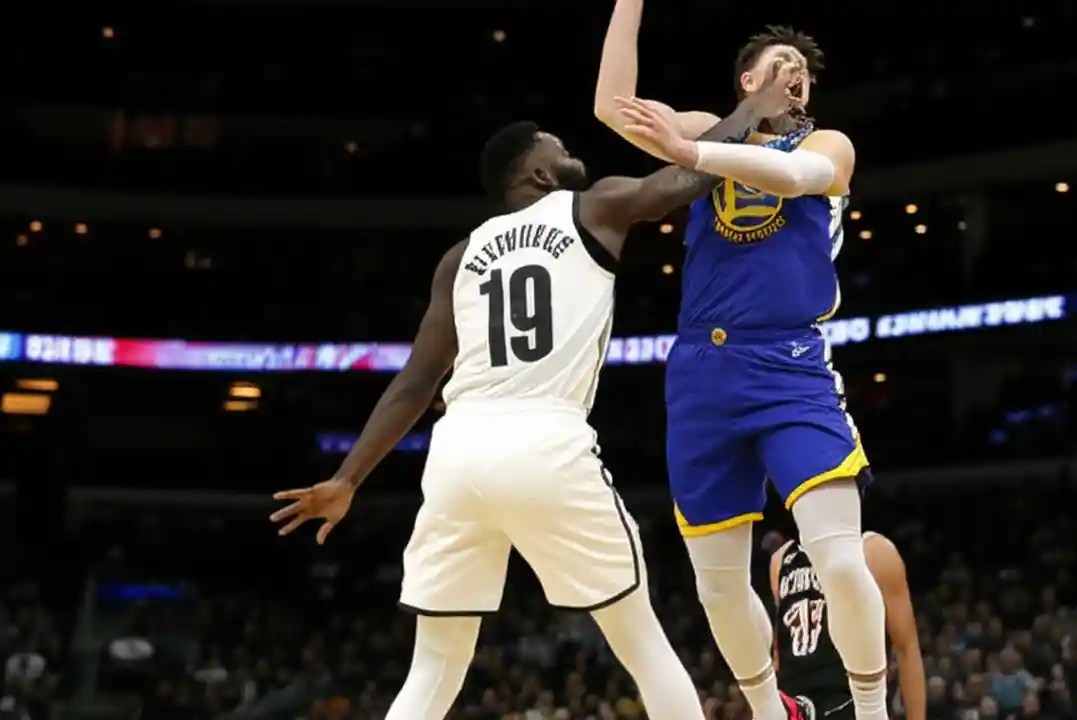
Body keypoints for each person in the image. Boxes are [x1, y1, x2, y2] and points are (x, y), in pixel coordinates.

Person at [266, 67, 801, 720]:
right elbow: (683, 182)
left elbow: (414, 383)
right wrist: (752, 110)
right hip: (546, 438)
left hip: (458, 450)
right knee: (641, 640)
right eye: (554, 143)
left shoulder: (460, 256)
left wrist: (349, 479)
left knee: (433, 665)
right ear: (538, 174)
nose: (566, 147)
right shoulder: (590, 206)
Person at [593, 3, 887, 720]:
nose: (796, 78)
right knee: (717, 586)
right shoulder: (706, 127)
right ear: (746, 79)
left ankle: (872, 709)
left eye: (804, 74)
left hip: (790, 365)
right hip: (701, 371)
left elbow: (791, 180)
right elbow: (608, 107)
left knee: (841, 558)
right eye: (781, 66)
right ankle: (768, 708)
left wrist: (693, 155)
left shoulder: (828, 143)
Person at [763, 531, 925, 720]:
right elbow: (779, 653)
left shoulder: (874, 550)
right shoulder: (781, 559)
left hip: (852, 701)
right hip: (796, 703)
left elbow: (907, 648)